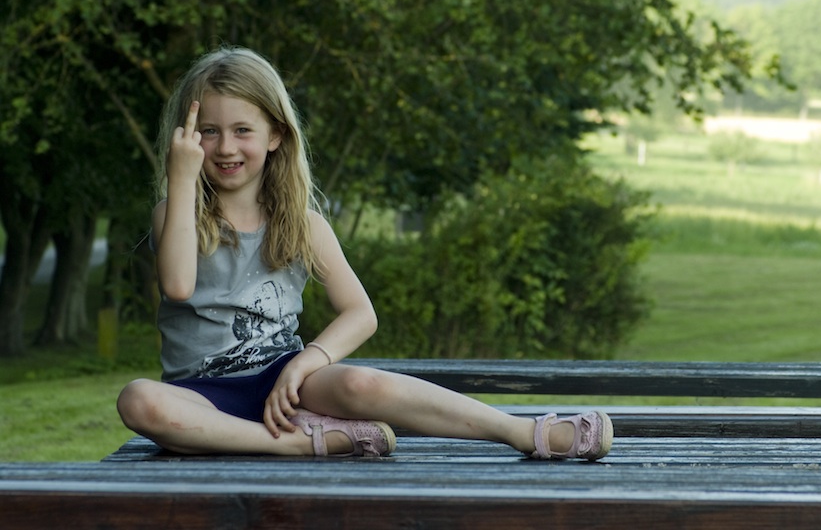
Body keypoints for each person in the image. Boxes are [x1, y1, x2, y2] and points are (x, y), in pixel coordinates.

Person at [117, 46, 612, 460]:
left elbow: (361, 313)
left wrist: (305, 361)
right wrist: (181, 179)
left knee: (361, 383)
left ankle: (526, 433)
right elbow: (179, 285)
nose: (225, 146)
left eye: (242, 129)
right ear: (187, 137)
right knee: (139, 401)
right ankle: (297, 445)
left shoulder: (302, 223)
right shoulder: (176, 212)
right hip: (200, 395)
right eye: (209, 131)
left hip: (285, 383)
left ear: (275, 135)